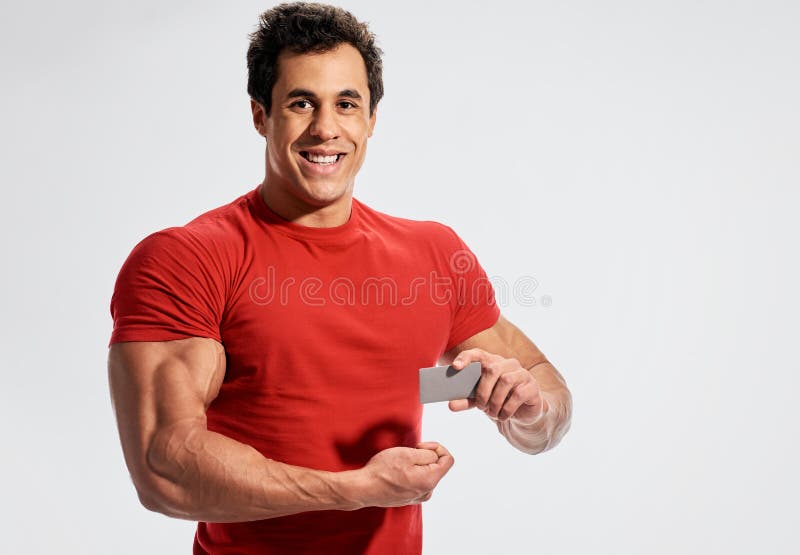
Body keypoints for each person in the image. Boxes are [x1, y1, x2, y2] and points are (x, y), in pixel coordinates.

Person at [107, 3, 572, 554]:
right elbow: (165, 468)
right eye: (301, 103)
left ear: (372, 118)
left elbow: (545, 395)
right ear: (261, 115)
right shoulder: (187, 259)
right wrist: (355, 490)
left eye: (346, 104)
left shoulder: (433, 253)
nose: (326, 128)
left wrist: (527, 409)